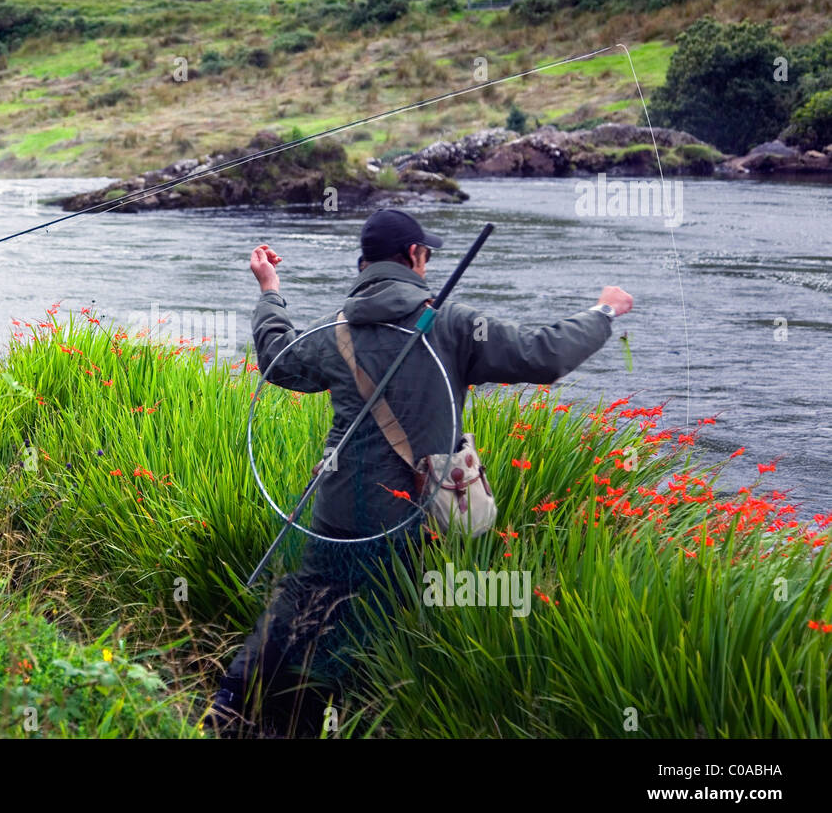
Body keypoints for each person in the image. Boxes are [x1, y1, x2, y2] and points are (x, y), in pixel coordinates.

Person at [204, 208, 633, 737]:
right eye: (426, 255)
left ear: (363, 264)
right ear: (414, 257)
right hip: (414, 515)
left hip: (337, 508)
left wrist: (269, 288)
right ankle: (359, 721)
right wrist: (603, 312)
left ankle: (236, 708)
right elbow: (541, 356)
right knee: (392, 622)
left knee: (302, 604)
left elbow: (276, 358)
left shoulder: (337, 332)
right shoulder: (453, 326)